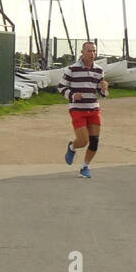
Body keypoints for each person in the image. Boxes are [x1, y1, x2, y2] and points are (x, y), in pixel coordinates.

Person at [58, 41, 109, 178]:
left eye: (94, 51)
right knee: (83, 140)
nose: (92, 54)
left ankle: (85, 167)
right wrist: (73, 95)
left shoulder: (99, 70)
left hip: (93, 108)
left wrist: (104, 89)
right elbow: (61, 87)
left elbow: (101, 93)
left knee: (94, 141)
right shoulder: (72, 69)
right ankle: (72, 147)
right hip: (77, 109)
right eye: (89, 51)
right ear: (82, 52)